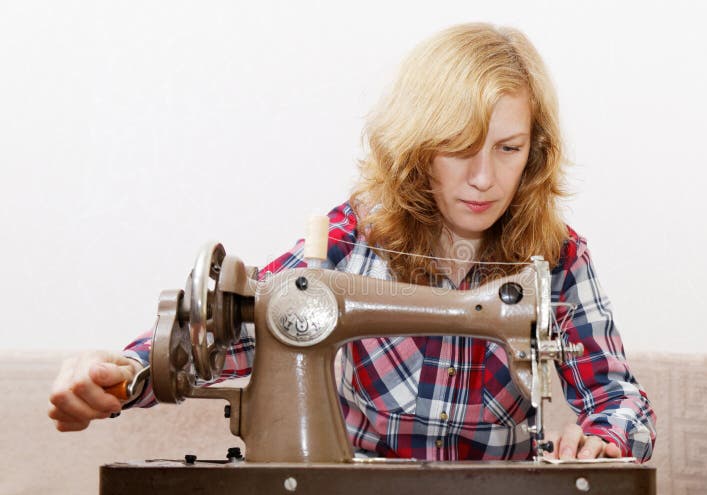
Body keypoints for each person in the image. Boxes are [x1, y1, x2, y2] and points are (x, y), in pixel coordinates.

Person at [49, 23, 656, 462]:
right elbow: (237, 326)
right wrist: (125, 371)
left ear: (536, 152)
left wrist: (602, 439)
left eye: (508, 148)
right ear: (418, 146)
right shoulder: (351, 239)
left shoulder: (557, 257)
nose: (483, 178)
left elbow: (615, 395)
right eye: (458, 146)